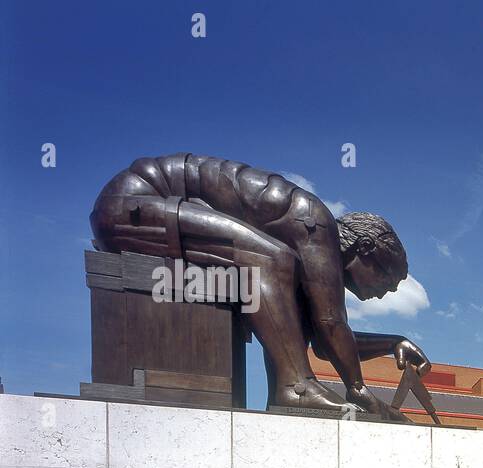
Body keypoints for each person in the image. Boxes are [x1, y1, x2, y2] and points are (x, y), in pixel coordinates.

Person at [90, 153, 430, 419]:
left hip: (149, 213)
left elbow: (325, 343)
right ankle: (296, 388)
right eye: (387, 281)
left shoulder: (306, 252)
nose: (383, 295)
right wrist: (357, 388)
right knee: (270, 259)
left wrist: (392, 343)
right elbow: (331, 323)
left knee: (281, 279)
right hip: (131, 204)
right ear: (365, 250)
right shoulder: (314, 221)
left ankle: (291, 388)